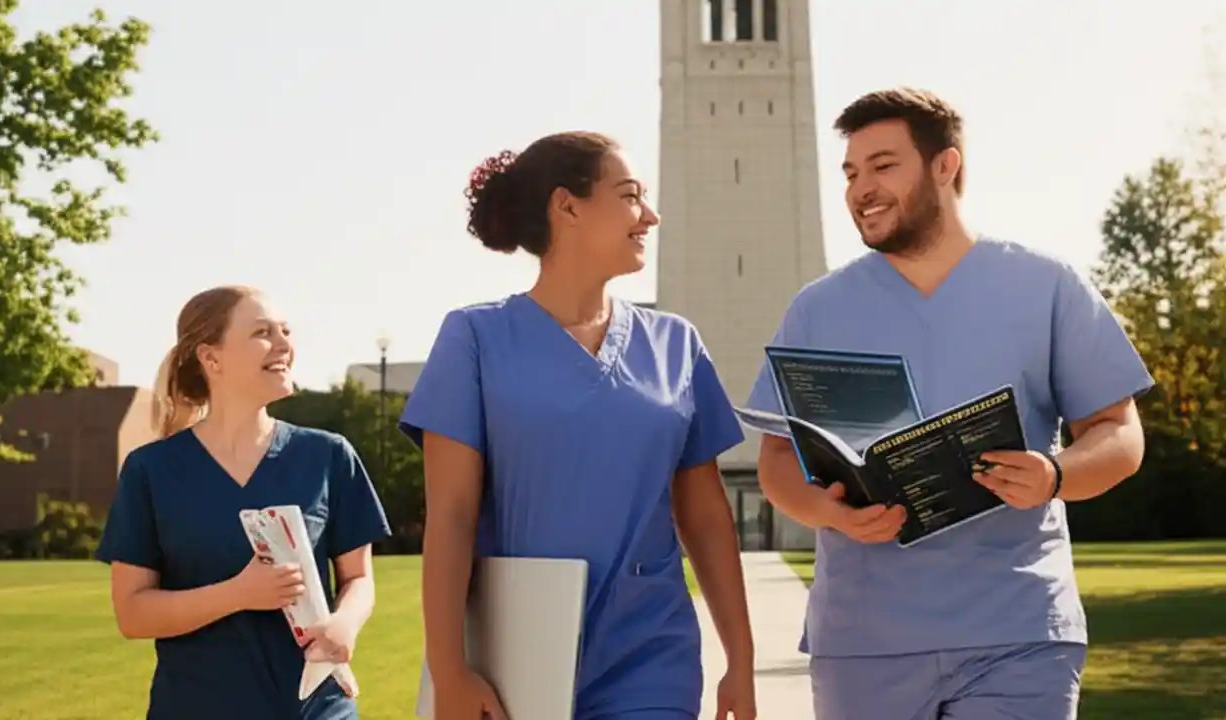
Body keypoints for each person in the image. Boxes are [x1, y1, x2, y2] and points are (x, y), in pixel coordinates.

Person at [746, 88, 1154, 720]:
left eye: (883, 166)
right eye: (851, 173)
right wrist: (827, 512)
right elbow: (776, 460)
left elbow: (1119, 432)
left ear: (945, 166)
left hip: (1017, 632)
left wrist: (1055, 475)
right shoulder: (818, 309)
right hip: (864, 643)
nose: (861, 188)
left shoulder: (1045, 286)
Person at [399, 131, 757, 720]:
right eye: (630, 196)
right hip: (515, 658)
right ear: (567, 207)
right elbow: (452, 515)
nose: (651, 215)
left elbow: (706, 516)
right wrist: (449, 671)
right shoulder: (474, 340)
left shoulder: (676, 346)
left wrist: (739, 661)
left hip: (651, 654)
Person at [95, 285, 392, 719]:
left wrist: (343, 624)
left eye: (286, 331)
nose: (285, 344)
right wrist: (239, 593)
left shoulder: (328, 456)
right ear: (211, 358)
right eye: (263, 332)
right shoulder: (151, 471)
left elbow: (358, 579)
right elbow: (133, 613)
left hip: (316, 708)